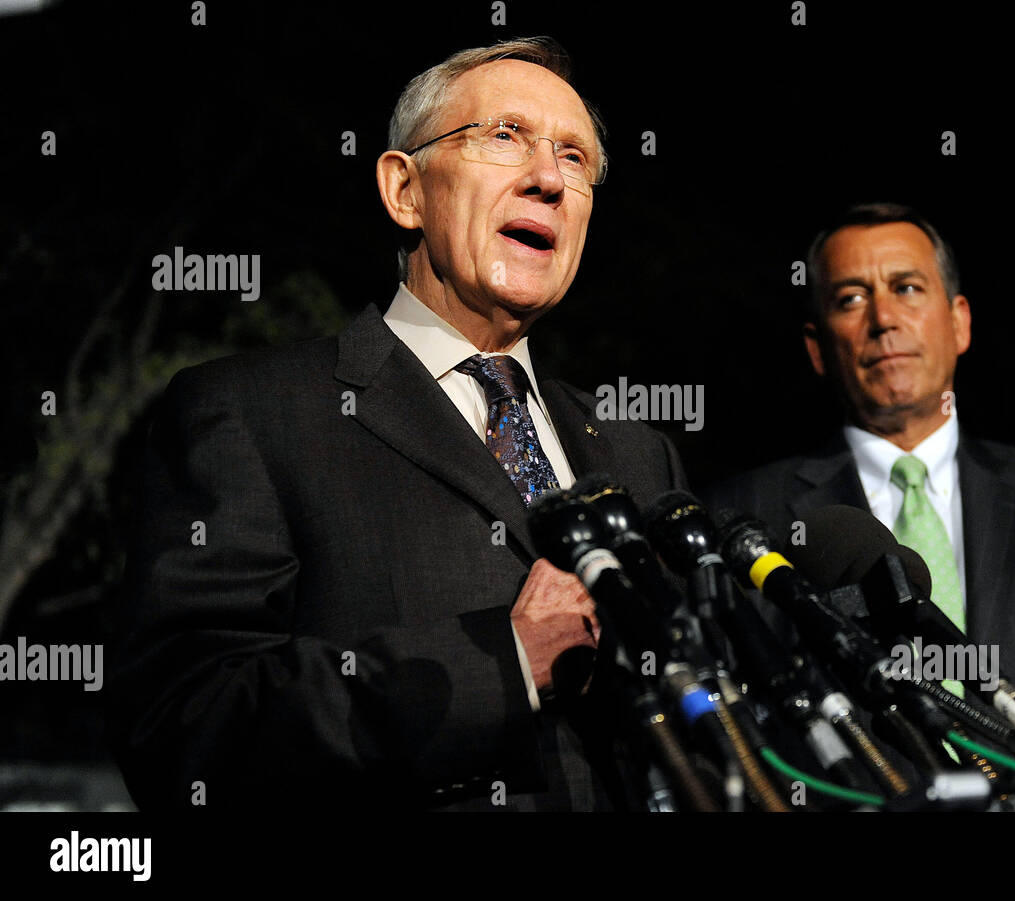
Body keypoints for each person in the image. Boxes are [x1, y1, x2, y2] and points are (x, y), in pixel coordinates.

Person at [108, 37, 686, 811]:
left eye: (576, 158)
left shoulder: (640, 454)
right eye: (505, 136)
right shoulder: (251, 413)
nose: (548, 178)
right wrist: (503, 661)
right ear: (404, 188)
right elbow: (184, 729)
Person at [707, 202, 1015, 782]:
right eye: (851, 298)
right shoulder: (745, 515)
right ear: (816, 346)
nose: (883, 317)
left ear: (959, 321)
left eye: (907, 287)